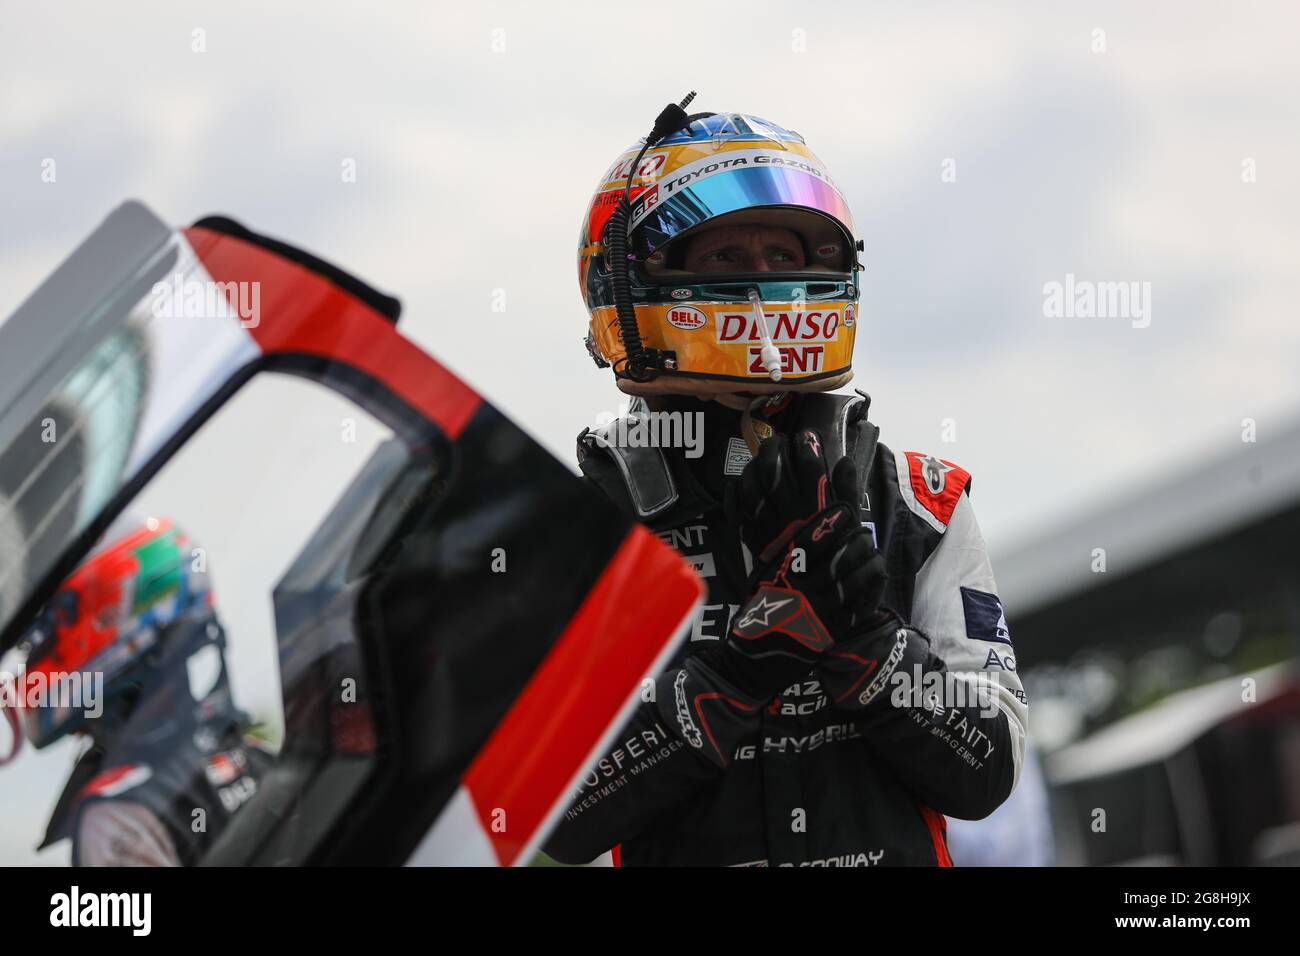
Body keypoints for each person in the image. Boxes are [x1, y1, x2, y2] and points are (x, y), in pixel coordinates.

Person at [545, 101, 1028, 866]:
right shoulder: (580, 525)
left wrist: (867, 648)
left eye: (786, 254)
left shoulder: (918, 500)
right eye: (723, 259)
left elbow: (988, 771)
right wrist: (741, 666)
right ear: (630, 287)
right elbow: (555, 811)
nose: (767, 282)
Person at [15, 518, 270, 866]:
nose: (34, 656)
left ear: (104, 619)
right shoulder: (252, 754)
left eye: (45, 635)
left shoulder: (117, 816)